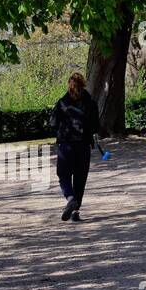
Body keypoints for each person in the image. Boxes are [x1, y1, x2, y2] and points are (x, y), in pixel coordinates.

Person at [49, 73, 100, 223]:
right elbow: (96, 126)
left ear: (69, 85)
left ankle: (70, 197)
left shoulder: (62, 103)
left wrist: (60, 131)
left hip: (66, 144)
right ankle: (76, 212)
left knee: (63, 175)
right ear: (83, 84)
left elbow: (52, 123)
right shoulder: (91, 103)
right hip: (83, 145)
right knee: (80, 178)